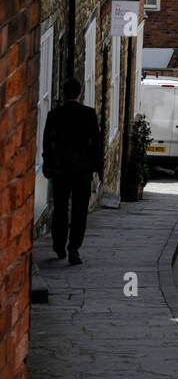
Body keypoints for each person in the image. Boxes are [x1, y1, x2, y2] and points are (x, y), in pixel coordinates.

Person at [42, 77, 102, 265]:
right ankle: (74, 249)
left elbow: (47, 143)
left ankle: (59, 245)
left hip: (60, 168)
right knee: (79, 210)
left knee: (60, 207)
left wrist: (48, 164)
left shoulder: (54, 115)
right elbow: (97, 144)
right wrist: (97, 168)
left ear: (63, 93)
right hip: (82, 169)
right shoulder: (89, 114)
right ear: (80, 93)